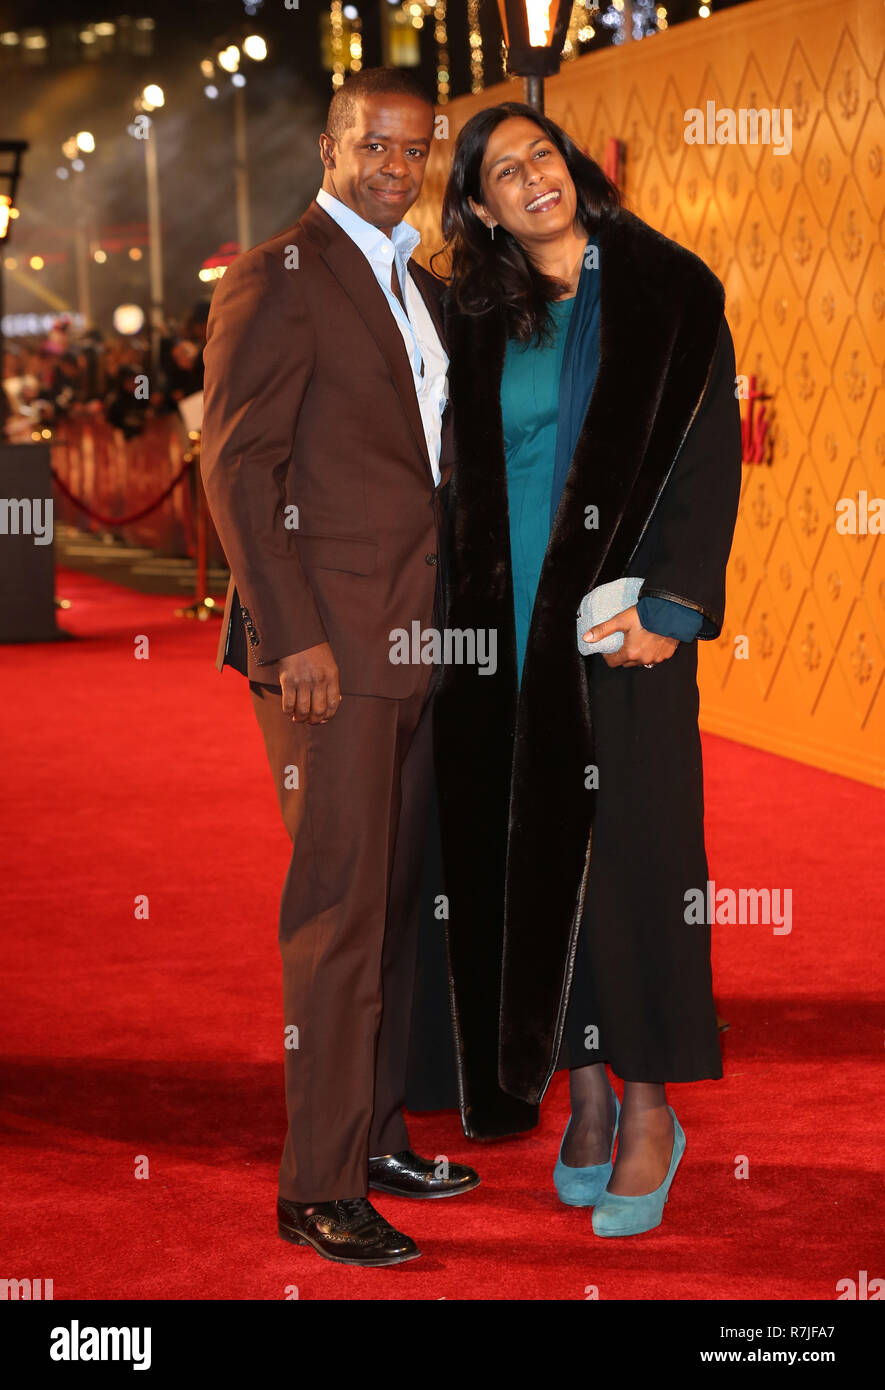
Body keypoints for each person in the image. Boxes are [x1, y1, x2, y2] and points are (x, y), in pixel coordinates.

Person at [431, 102, 742, 1236]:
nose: (532, 178)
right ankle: (592, 1097)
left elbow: (710, 454)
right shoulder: (477, 315)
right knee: (537, 874)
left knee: (634, 868)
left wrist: (674, 602)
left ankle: (653, 1107)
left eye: (542, 157)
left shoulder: (668, 291)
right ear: (479, 205)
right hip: (504, 645)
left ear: (574, 171)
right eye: (503, 171)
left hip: (619, 637)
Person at [200, 67, 479, 1269]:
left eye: (414, 149)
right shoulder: (281, 273)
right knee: (335, 916)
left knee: (394, 907)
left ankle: (375, 1135)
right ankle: (315, 1185)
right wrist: (289, 634)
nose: (394, 165)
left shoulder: (414, 281)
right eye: (374, 143)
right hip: (328, 651)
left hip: (411, 642)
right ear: (328, 144)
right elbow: (237, 469)